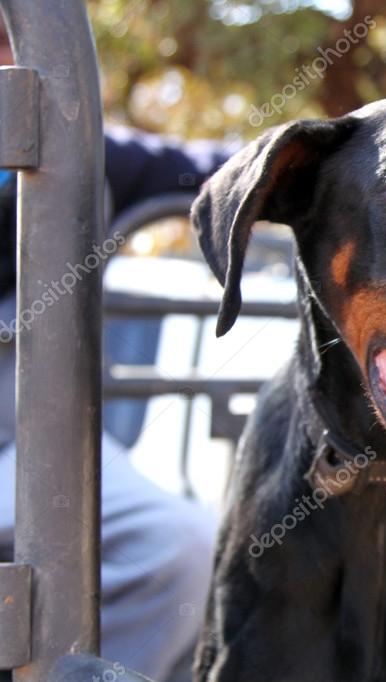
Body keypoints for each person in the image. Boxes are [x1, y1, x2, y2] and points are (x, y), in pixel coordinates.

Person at [0, 124, 235, 680]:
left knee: (185, 550)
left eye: (10, 37)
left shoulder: (66, 140)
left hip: (28, 441)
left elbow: (196, 163)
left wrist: (328, 143)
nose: (6, 50)